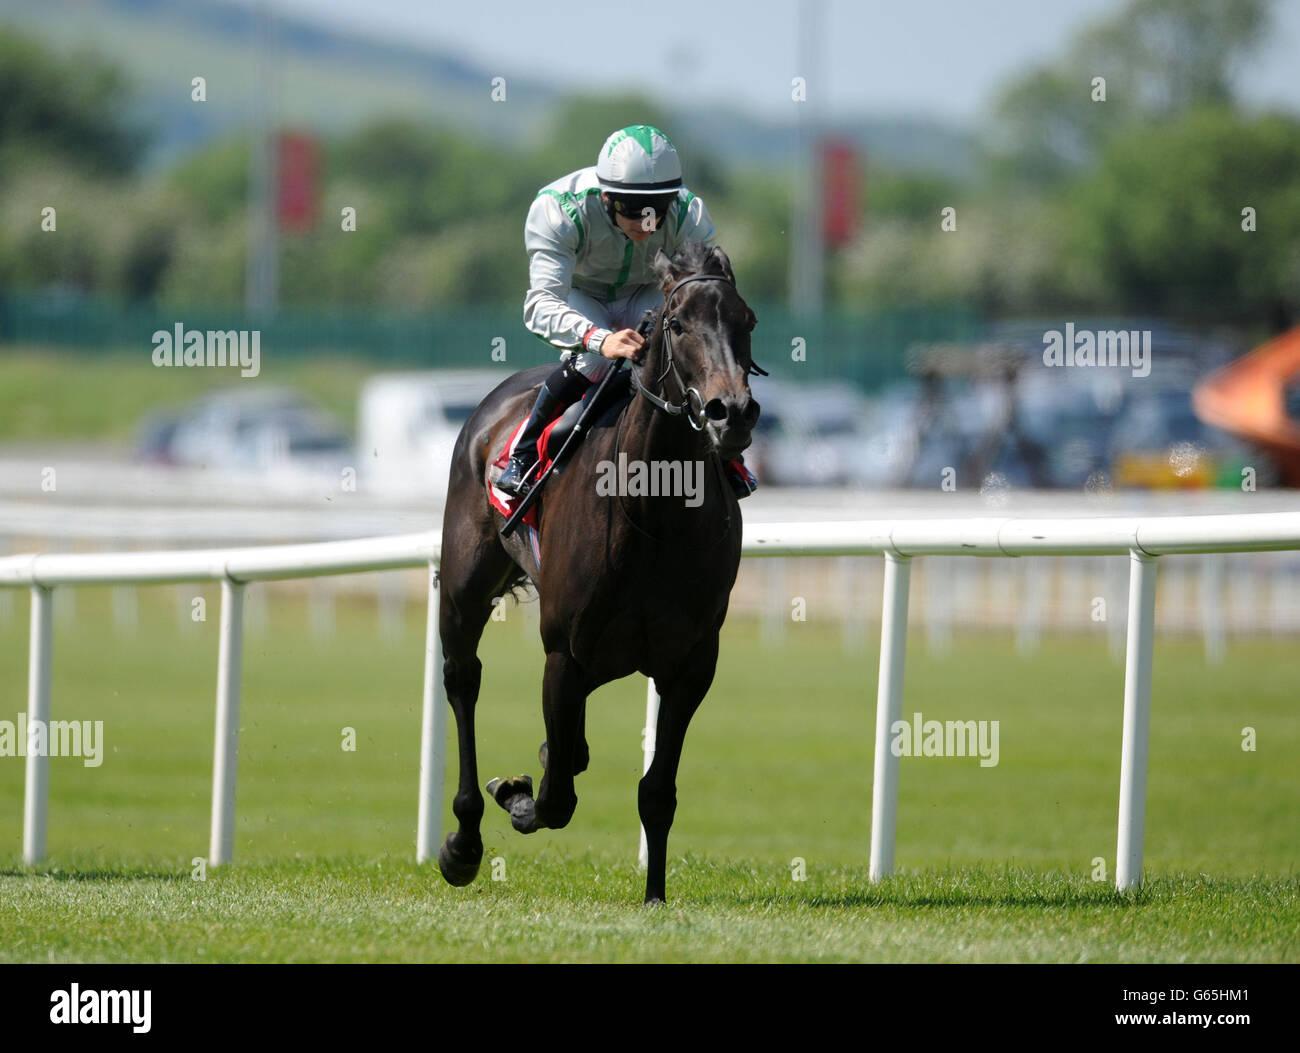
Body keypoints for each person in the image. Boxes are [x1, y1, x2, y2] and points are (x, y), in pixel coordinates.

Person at [497, 124, 756, 499]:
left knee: (680, 351)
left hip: (647, 290)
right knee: (594, 364)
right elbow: (541, 305)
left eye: (657, 211)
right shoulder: (558, 210)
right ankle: (523, 452)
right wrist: (599, 339)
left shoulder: (690, 213)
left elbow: (703, 297)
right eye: (631, 210)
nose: (645, 223)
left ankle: (727, 457)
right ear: (605, 198)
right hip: (582, 295)